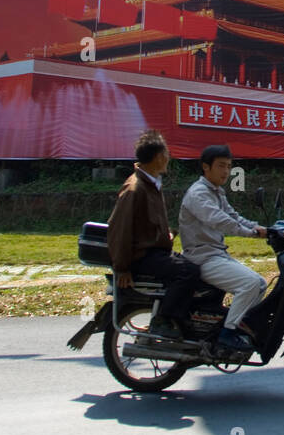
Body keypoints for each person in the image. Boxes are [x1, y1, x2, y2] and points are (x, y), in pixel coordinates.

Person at [107, 130, 198, 341]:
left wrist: (165, 236)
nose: (169, 157)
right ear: (158, 157)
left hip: (154, 252)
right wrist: (121, 269)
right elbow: (119, 230)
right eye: (166, 152)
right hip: (143, 258)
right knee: (188, 272)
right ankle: (164, 320)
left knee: (198, 266)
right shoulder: (135, 188)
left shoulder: (150, 184)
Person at [178, 144, 269, 354]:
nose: (226, 172)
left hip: (216, 254)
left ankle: (238, 328)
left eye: (229, 166)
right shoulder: (199, 194)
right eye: (221, 166)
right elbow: (220, 221)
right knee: (251, 284)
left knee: (260, 284)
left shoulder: (216, 191)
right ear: (205, 167)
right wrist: (252, 233)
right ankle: (227, 335)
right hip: (202, 257)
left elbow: (234, 216)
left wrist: (260, 228)